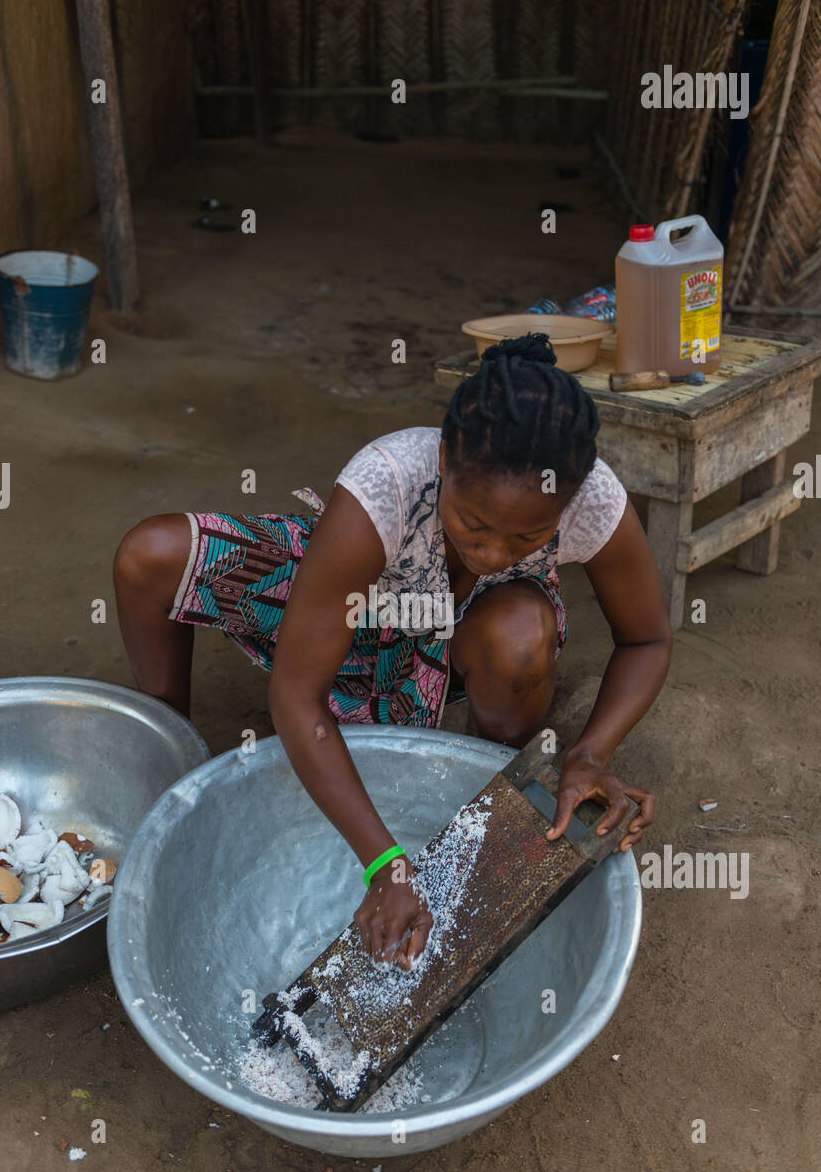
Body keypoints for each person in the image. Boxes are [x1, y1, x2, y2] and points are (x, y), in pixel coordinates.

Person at [114, 334, 672, 971]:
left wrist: (590, 754)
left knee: (519, 636)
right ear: (442, 460)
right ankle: (173, 764)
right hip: (370, 611)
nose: (491, 553)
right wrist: (386, 864)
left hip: (474, 638)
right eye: (474, 525)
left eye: (528, 536)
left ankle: (489, 799)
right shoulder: (388, 482)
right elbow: (296, 696)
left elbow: (648, 639)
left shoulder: (590, 500)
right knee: (149, 556)